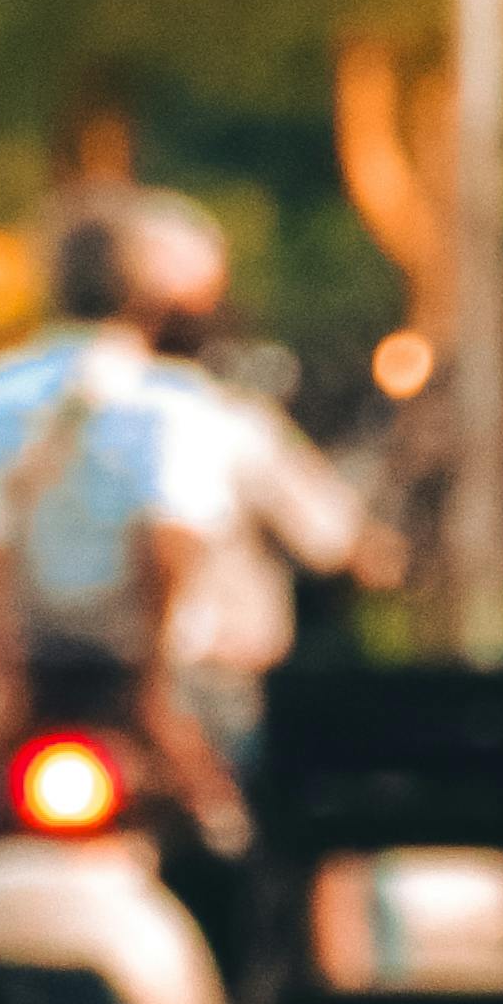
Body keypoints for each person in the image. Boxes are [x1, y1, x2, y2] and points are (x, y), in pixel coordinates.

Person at [0, 199, 239, 842]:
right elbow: (171, 547)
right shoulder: (177, 403)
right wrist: (157, 690)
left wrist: (3, 687)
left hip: (30, 684)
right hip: (145, 683)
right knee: (224, 843)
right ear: (145, 297)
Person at [110, 191, 400, 766]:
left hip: (79, 679)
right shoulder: (231, 419)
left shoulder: (44, 410)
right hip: (209, 687)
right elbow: (337, 541)